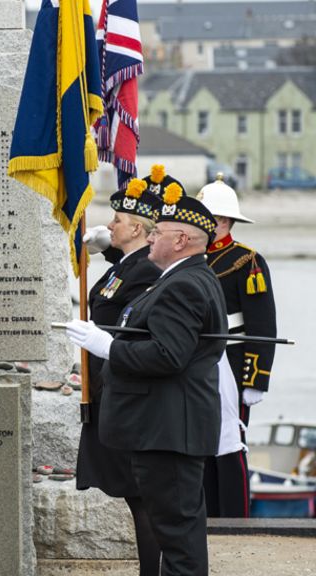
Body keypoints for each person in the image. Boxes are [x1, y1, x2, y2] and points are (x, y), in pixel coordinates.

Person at [67, 185, 227, 576]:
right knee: (178, 534)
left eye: (159, 232)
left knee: (177, 536)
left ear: (182, 240)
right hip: (165, 426)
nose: (151, 236)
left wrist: (107, 346)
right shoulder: (180, 277)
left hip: (167, 429)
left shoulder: (184, 285)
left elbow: (167, 355)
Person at [76, 179, 162, 576]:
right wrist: (106, 246)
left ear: (139, 229)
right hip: (105, 385)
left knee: (139, 493)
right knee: (130, 493)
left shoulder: (145, 272)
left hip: (123, 388)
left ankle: (153, 570)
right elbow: (123, 270)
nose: (111, 224)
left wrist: (102, 342)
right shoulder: (128, 264)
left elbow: (130, 320)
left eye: (118, 220)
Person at [197, 174, 277, 518]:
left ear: (225, 221)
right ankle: (208, 517)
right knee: (199, 444)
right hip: (197, 359)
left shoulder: (247, 261)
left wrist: (256, 379)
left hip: (232, 360)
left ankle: (234, 520)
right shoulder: (190, 256)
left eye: (209, 219)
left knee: (230, 448)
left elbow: (262, 324)